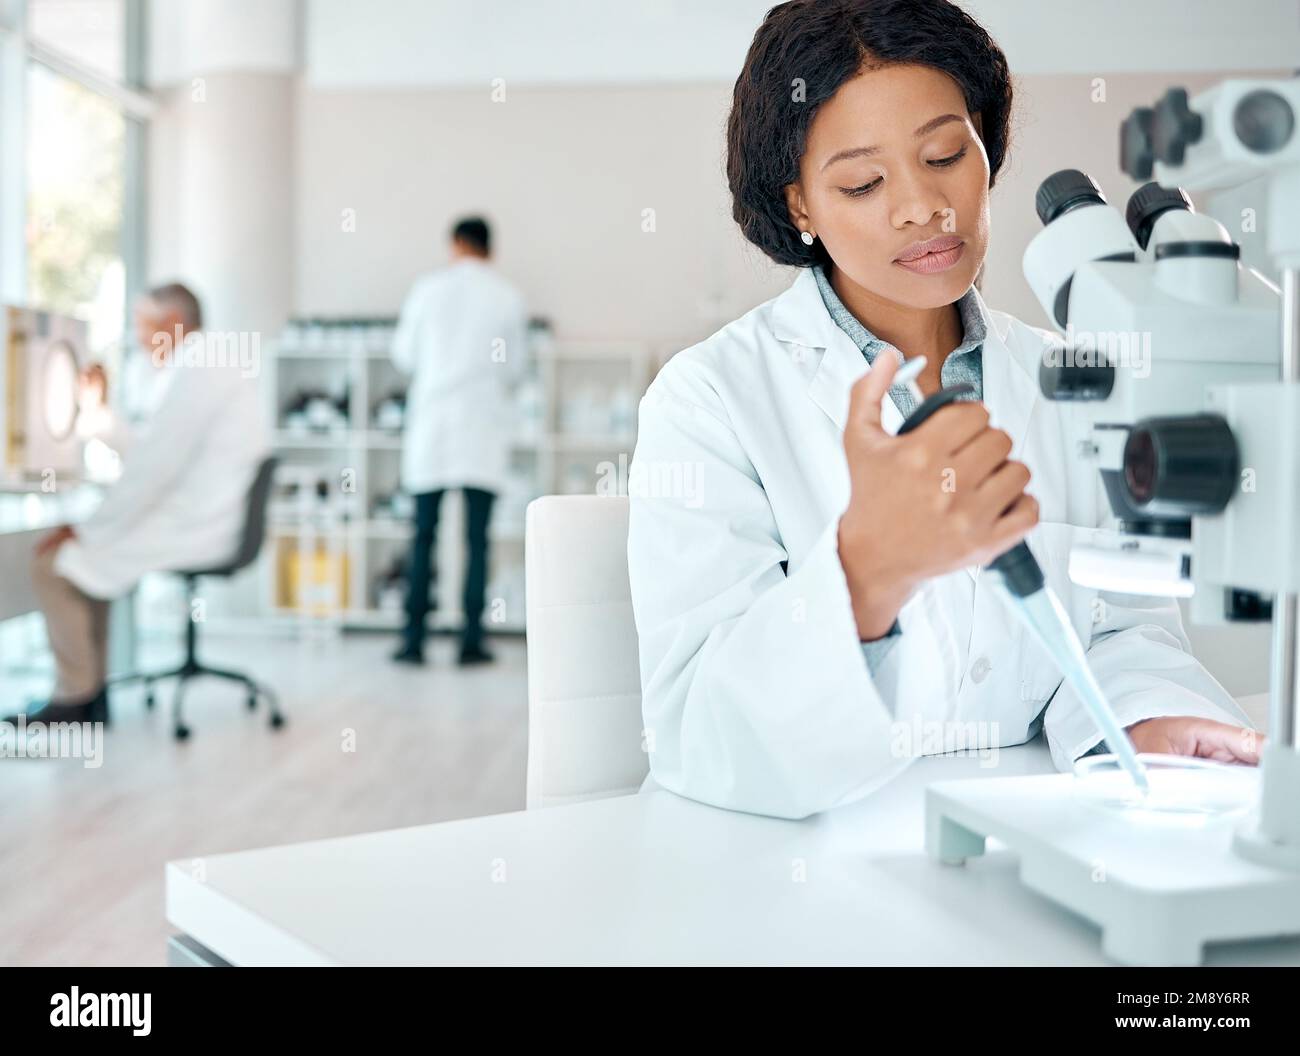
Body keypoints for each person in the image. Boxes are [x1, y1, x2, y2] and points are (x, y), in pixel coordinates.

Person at [625, 0, 1259, 820]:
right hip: (776, 863)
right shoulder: (709, 398)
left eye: (946, 154)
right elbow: (700, 734)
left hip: (1009, 837)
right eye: (863, 182)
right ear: (800, 207)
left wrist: (1140, 721)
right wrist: (867, 570)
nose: (923, 206)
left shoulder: (1069, 378)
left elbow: (1119, 627)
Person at [8, 283, 269, 725]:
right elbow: (151, 453)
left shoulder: (201, 368)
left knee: (54, 562)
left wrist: (90, 528)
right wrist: (101, 413)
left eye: (141, 324)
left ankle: (75, 697)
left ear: (172, 325)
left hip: (197, 524)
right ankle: (90, 692)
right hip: (199, 515)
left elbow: (154, 469)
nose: (137, 336)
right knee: (88, 562)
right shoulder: (202, 365)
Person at [390, 217, 527, 666]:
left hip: (433, 426)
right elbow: (514, 370)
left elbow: (404, 356)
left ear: (455, 245)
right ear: (491, 249)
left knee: (422, 537)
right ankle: (471, 640)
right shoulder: (506, 297)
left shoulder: (427, 290)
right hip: (480, 428)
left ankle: (413, 641)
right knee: (477, 540)